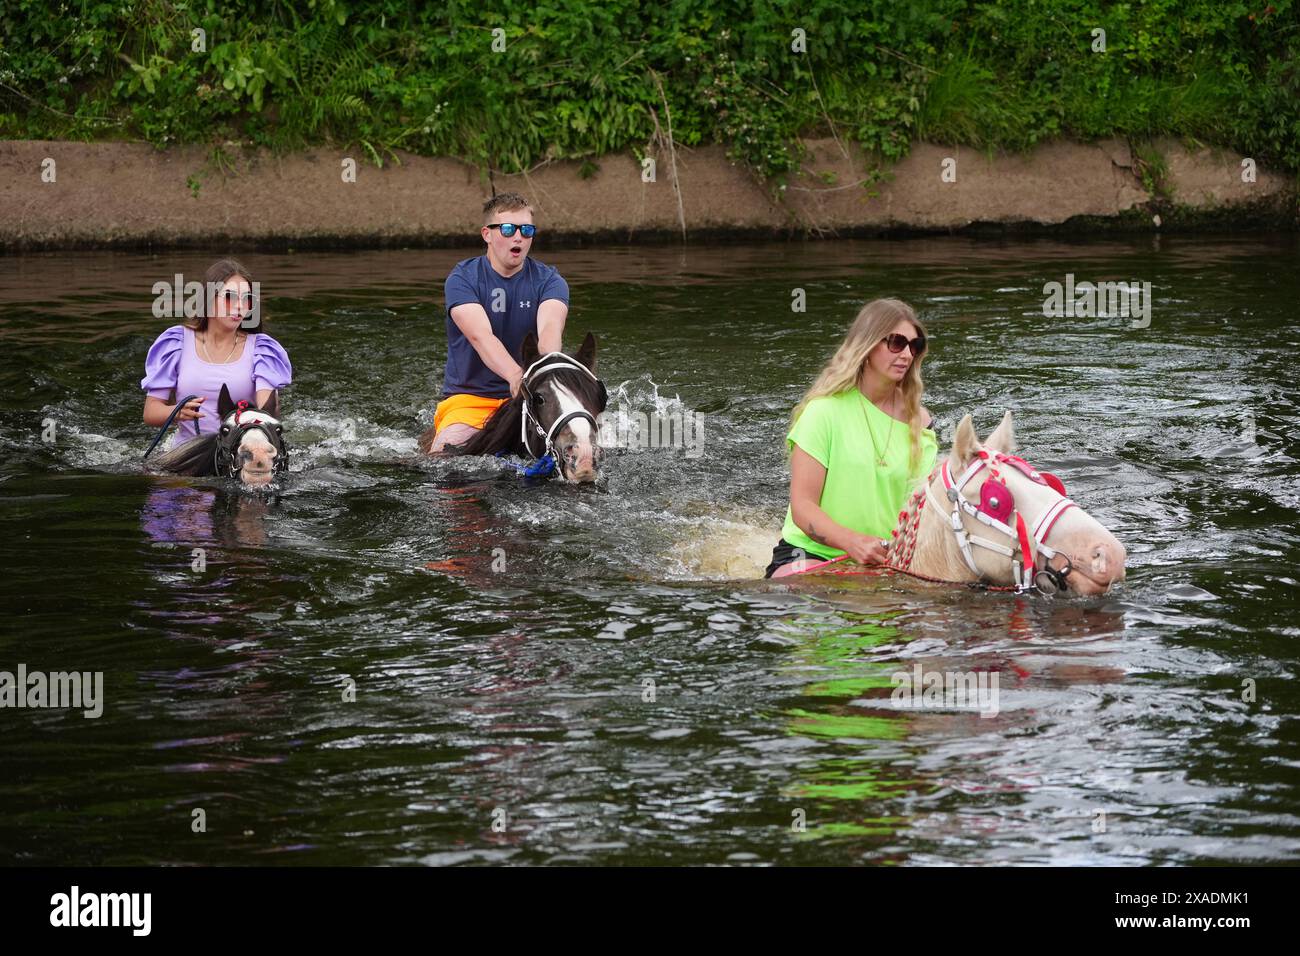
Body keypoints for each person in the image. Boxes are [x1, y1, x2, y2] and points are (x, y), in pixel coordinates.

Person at [765, 298, 939, 578]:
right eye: (896, 342)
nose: (907, 354)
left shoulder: (921, 423)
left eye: (914, 346)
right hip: (813, 556)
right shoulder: (823, 411)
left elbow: (921, 513)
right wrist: (852, 543)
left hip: (886, 562)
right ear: (868, 345)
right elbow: (803, 507)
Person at [426, 192, 569, 452]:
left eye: (526, 230)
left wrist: (539, 378)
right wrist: (516, 377)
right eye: (507, 229)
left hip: (533, 397)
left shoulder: (550, 281)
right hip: (471, 400)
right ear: (487, 234)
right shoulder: (462, 279)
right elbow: (481, 336)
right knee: (442, 462)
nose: (518, 237)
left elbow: (550, 330)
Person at [141, 257, 291, 450]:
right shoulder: (176, 342)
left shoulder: (262, 350)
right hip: (186, 455)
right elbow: (151, 412)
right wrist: (176, 413)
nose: (239, 306)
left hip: (238, 455)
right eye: (229, 297)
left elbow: (266, 413)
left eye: (247, 299)